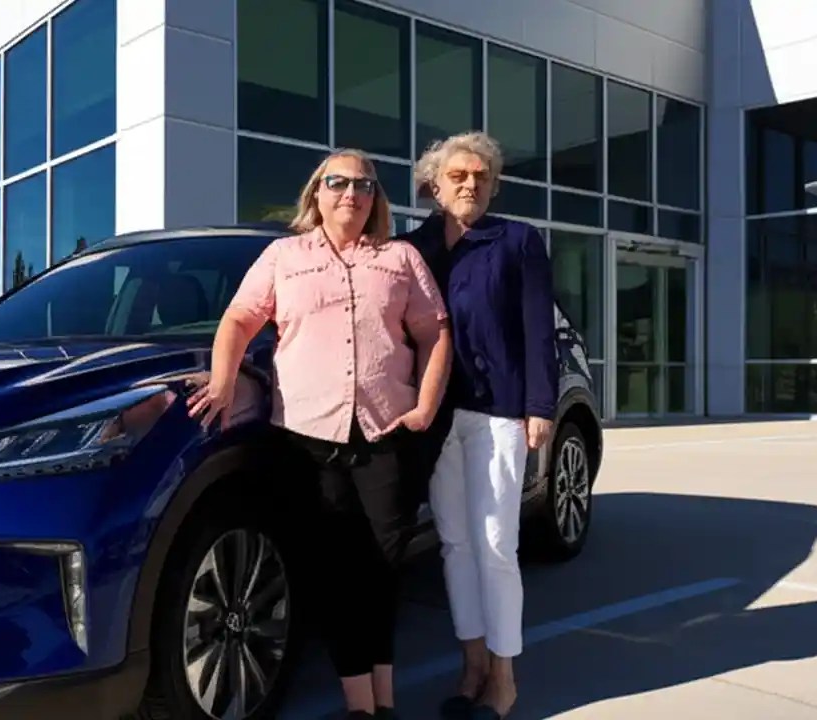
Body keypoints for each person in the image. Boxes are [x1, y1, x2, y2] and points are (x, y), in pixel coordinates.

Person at [187, 148, 452, 720]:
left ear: (376, 198)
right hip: (307, 442)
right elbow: (239, 318)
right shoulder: (284, 256)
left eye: (364, 185)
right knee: (336, 573)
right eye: (338, 183)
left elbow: (435, 333)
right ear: (317, 192)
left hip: (386, 435)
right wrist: (223, 379)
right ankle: (365, 707)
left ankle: (382, 698)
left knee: (381, 571)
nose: (351, 194)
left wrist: (426, 405)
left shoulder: (400, 258)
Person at [404, 131, 558, 720]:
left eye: (482, 177)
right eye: (459, 176)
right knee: (454, 544)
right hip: (436, 415)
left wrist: (539, 406)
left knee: (496, 544)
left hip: (498, 412)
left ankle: (504, 677)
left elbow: (537, 328)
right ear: (434, 185)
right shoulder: (414, 247)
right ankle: (470, 664)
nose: (471, 184)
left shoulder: (516, 241)